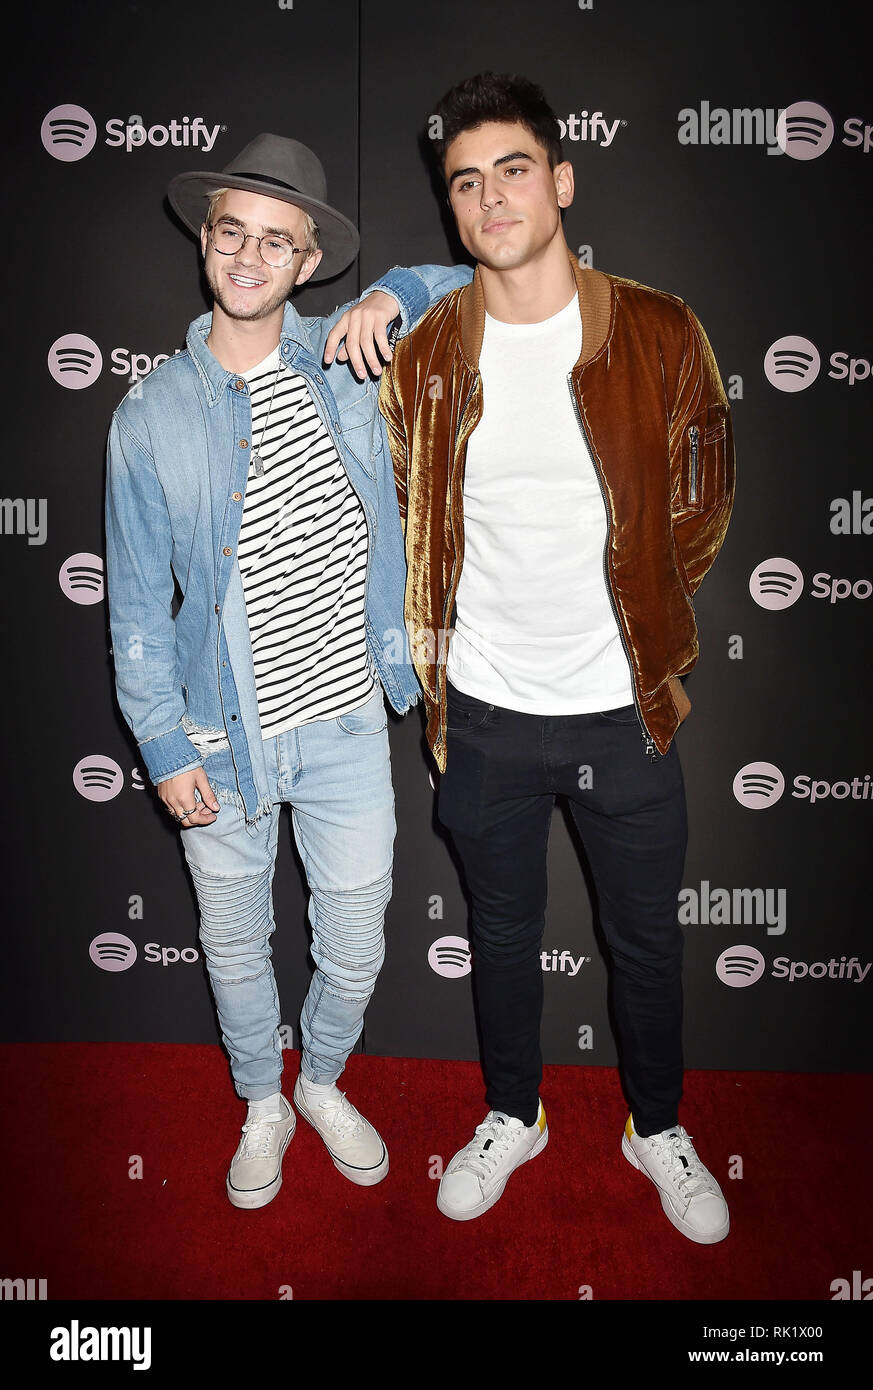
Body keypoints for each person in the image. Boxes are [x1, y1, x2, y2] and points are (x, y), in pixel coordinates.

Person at [380, 74, 735, 1241]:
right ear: (453, 207)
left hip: (623, 709)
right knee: (497, 934)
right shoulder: (426, 356)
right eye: (466, 182)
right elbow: (410, 534)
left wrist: (635, 616)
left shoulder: (660, 328)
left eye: (513, 170)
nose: (490, 198)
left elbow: (701, 507)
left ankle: (656, 1124)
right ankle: (513, 1112)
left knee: (645, 941)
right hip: (481, 713)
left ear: (563, 181)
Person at [105, 133, 470, 1209]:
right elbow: (134, 608)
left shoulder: (347, 358)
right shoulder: (148, 414)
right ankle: (262, 1098)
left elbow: (481, 281)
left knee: (355, 940)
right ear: (205, 242)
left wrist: (398, 292)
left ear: (309, 262)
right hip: (218, 731)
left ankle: (320, 1080)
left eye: (279, 240)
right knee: (233, 941)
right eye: (234, 234)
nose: (252, 256)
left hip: (350, 723)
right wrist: (162, 744)